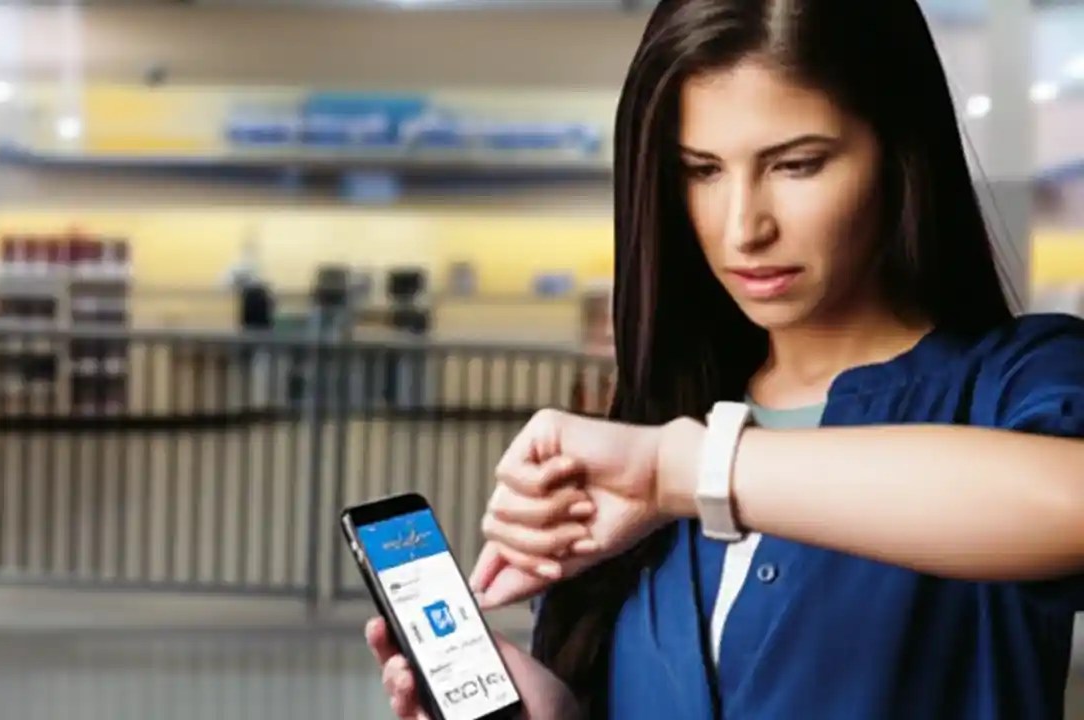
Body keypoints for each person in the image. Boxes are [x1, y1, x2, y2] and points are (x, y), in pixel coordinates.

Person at [366, 0, 1084, 717]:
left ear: (900, 151)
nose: (744, 227)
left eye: (798, 165)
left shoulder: (1016, 383)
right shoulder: (659, 430)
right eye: (701, 171)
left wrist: (682, 473)